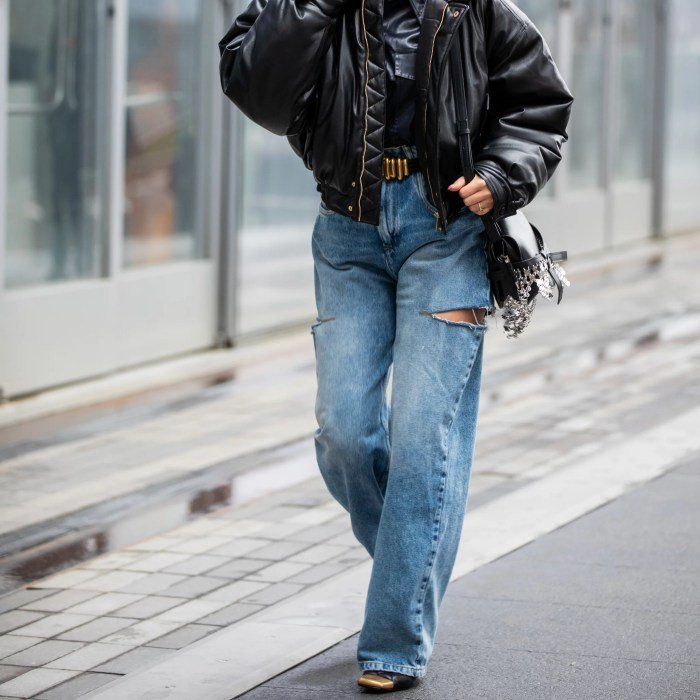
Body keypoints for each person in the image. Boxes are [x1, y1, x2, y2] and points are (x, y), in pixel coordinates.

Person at [219, 0, 573, 692]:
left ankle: (394, 641)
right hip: (348, 231)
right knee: (344, 432)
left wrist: (502, 175)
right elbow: (255, 87)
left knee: (421, 438)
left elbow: (539, 105)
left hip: (446, 233)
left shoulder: (480, 9)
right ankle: (409, 568)